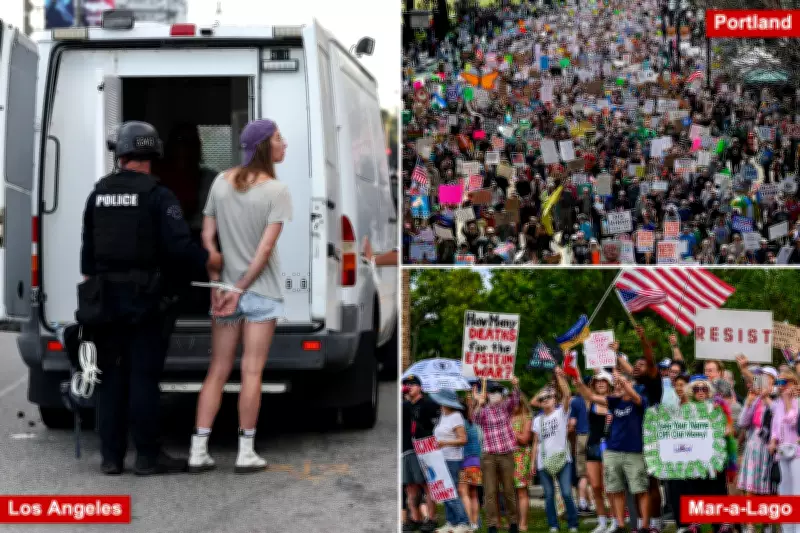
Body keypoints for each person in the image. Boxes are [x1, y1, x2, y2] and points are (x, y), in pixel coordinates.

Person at [79, 121, 221, 475]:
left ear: (122, 153)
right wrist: (210, 261)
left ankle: (111, 458)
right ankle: (146, 456)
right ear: (153, 154)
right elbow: (179, 250)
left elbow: (87, 258)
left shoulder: (98, 193)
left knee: (110, 378)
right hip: (144, 301)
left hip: (104, 301)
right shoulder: (159, 195)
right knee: (143, 377)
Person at [188, 119, 292, 474]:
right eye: (279, 139)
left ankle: (197, 450)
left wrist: (220, 285)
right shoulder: (276, 191)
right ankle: (245, 452)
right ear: (265, 146)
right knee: (251, 372)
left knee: (217, 369)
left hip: (225, 293)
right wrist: (239, 290)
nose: (285, 144)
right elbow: (264, 251)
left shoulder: (220, 181)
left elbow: (207, 238)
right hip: (259, 292)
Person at [573, 370, 652, 533]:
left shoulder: (639, 400)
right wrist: (579, 383)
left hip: (633, 452)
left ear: (630, 385)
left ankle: (645, 526)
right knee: (615, 489)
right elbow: (592, 397)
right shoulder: (613, 401)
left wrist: (623, 381)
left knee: (640, 489)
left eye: (622, 384)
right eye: (617, 385)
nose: (619, 387)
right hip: (612, 452)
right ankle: (620, 526)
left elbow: (634, 396)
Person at [532, 368, 579, 533]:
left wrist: (560, 378)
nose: (544, 399)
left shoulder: (561, 413)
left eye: (548, 397)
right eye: (542, 398)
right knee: (549, 495)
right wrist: (532, 463)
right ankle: (553, 525)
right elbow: (535, 442)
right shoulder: (537, 420)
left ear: (554, 399)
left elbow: (566, 394)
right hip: (543, 461)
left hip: (563, 459)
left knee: (566, 492)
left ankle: (573, 523)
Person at [472, 377, 522, 533]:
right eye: (492, 392)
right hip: (489, 455)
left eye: (498, 391)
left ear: (502, 394)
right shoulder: (483, 410)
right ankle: (492, 525)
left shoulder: (506, 406)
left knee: (509, 489)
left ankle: (513, 523)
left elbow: (516, 399)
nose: (495, 394)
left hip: (506, 453)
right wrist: (479, 403)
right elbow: (475, 419)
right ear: (487, 395)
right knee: (490, 491)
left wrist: (515, 385)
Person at [401, 375, 441, 533]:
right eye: (406, 384)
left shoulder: (429, 404)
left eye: (412, 384)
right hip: (407, 448)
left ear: (420, 387)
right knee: (410, 486)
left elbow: (435, 425)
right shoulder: (404, 405)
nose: (409, 386)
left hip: (424, 448)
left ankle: (431, 518)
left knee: (427, 484)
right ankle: (415, 518)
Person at [430, 389, 471, 533]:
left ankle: (463, 522)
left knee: (451, 491)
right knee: (444, 491)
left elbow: (463, 439)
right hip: (441, 457)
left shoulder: (456, 416)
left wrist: (445, 443)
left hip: (452, 458)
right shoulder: (443, 416)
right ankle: (451, 521)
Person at [585, 372, 617, 533]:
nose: (600, 384)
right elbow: (580, 389)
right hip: (593, 445)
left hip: (610, 445)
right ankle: (602, 521)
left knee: (609, 486)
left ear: (610, 383)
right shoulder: (589, 401)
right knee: (596, 486)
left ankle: (614, 520)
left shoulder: (615, 400)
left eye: (603, 381)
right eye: (597, 382)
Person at [770, 372, 800, 533]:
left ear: (793, 383)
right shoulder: (777, 404)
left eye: (784, 382)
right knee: (785, 494)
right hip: (781, 452)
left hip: (797, 453)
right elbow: (776, 427)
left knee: (797, 493)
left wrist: (789, 401)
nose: (781, 385)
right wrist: (772, 441)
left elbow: (792, 420)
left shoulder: (797, 401)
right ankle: (787, 529)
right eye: (779, 381)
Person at [459, 396, 483, 531]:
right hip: (476, 461)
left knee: (464, 491)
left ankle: (468, 521)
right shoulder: (473, 423)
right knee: (474, 493)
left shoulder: (461, 424)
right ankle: (474, 523)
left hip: (466, 461)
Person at [510, 390, 533, 532]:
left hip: (521, 456)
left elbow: (525, 439)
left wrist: (512, 432)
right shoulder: (505, 418)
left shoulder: (526, 417)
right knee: (510, 492)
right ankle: (514, 521)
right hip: (507, 456)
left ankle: (523, 523)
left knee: (521, 491)